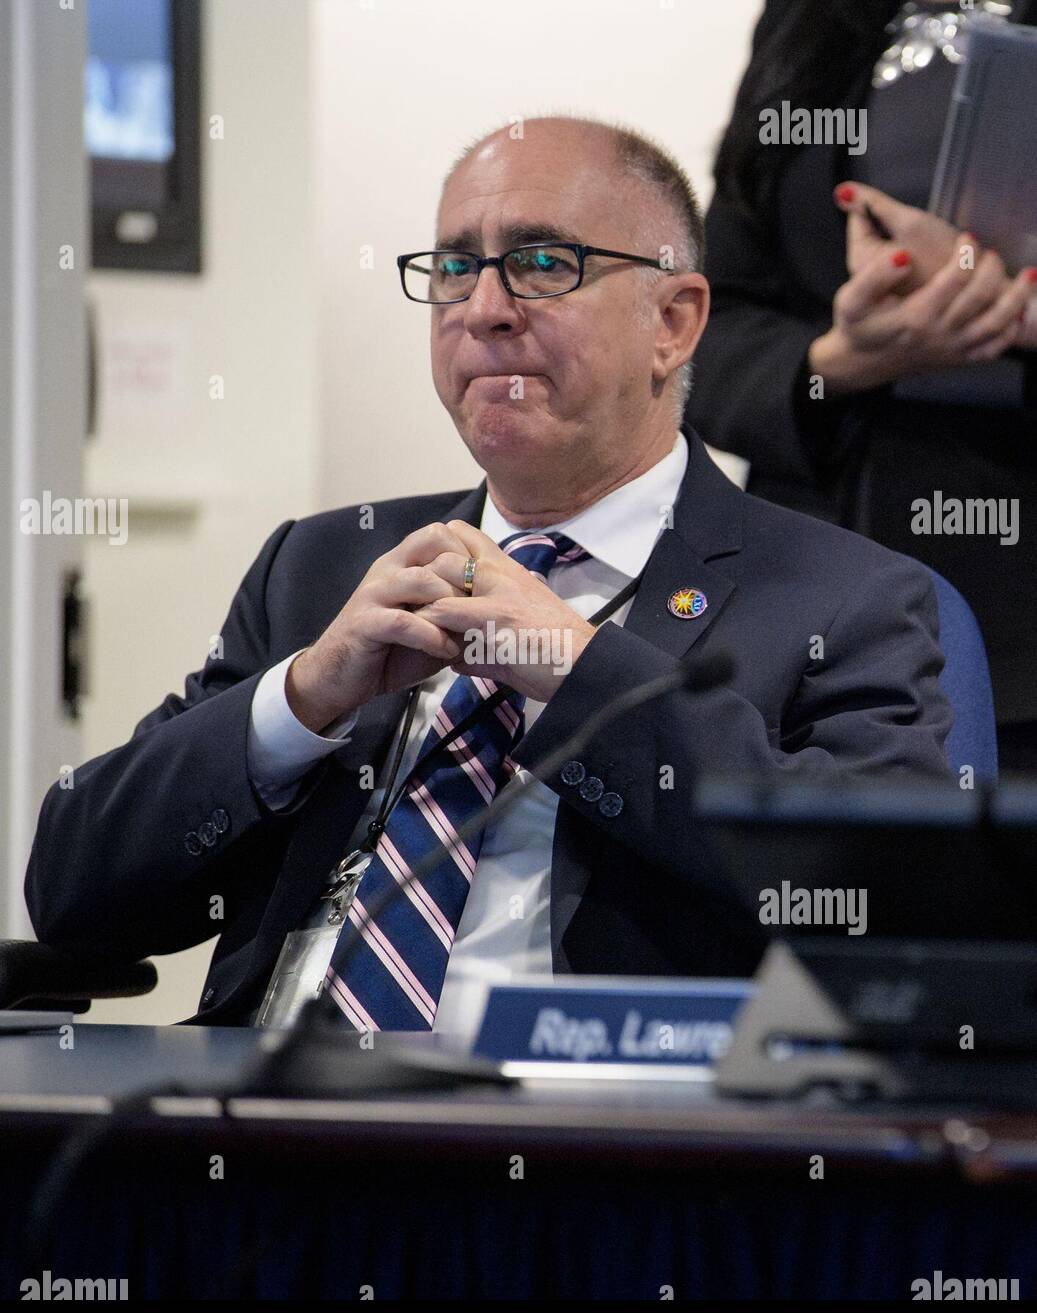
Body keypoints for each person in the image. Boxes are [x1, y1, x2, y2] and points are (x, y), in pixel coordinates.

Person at [25, 117, 951, 1032]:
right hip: (270, 1120)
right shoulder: (321, 565)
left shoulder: (839, 595)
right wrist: (299, 702)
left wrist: (577, 673)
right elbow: (71, 892)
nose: (483, 309)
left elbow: (880, 902)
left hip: (585, 1140)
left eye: (545, 263)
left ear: (673, 323)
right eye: (455, 267)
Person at [685, 0, 1037, 770]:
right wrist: (838, 360)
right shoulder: (807, 17)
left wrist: (1014, 309)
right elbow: (708, 328)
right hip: (807, 582)